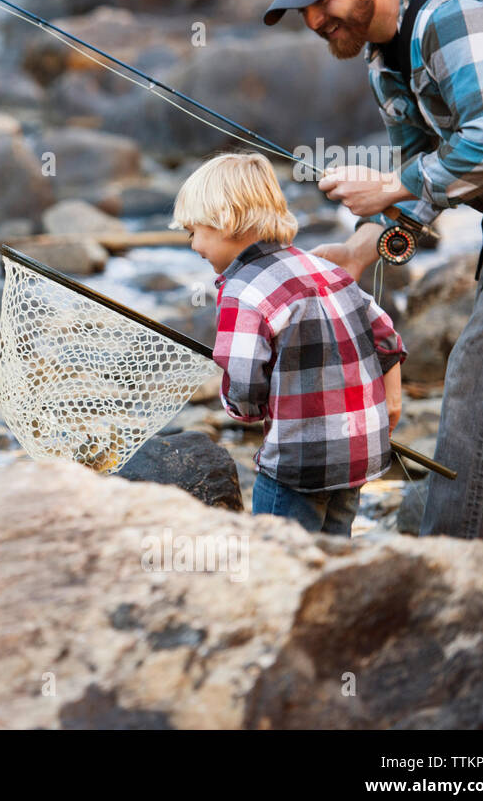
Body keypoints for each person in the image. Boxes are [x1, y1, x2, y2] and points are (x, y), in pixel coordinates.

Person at [263, 0, 483, 566]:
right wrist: (359, 254)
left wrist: (391, 185)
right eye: (301, 10)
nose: (314, 22)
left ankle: (447, 583)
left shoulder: (452, 15)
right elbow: (420, 204)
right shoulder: (384, 62)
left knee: (480, 378)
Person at [170, 152, 406, 533]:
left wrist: (241, 410)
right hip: (360, 456)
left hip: (299, 465)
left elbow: (245, 382)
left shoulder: (241, 291)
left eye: (193, 231)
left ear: (224, 220)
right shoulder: (327, 269)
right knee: (332, 556)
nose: (193, 244)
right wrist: (391, 403)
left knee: (283, 559)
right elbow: (386, 336)